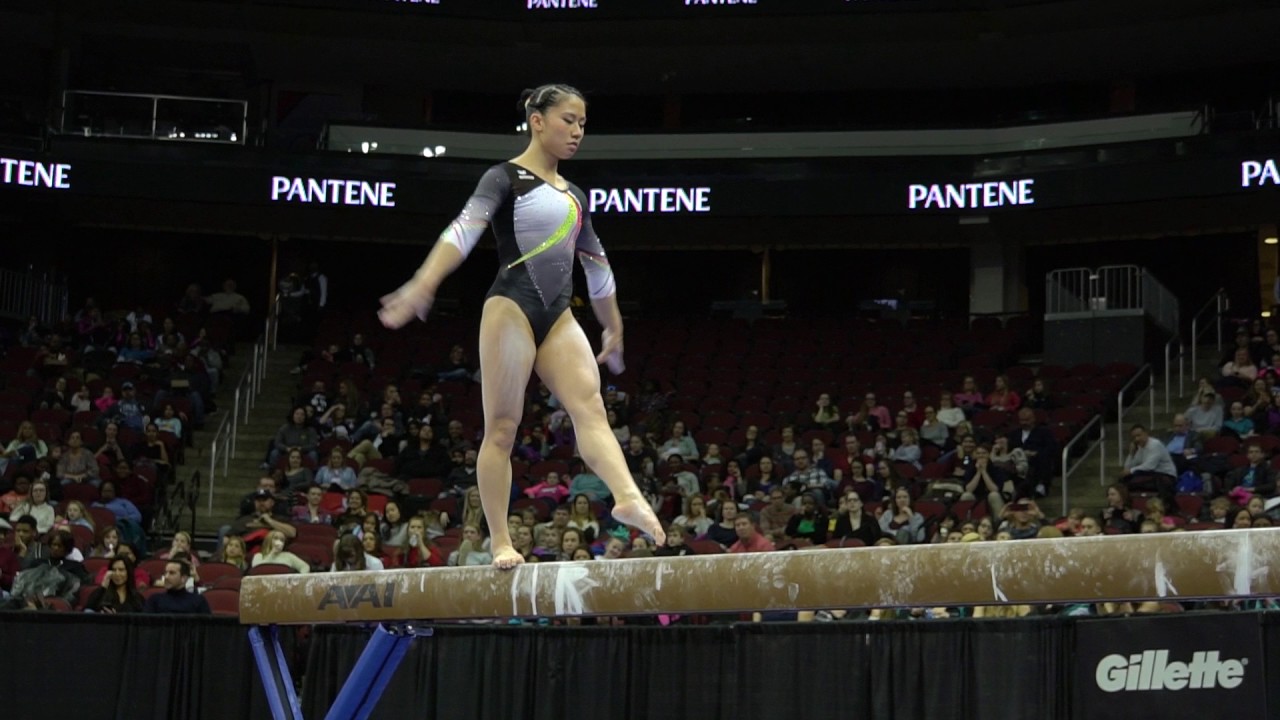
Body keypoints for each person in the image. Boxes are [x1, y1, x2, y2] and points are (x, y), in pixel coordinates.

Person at [378, 84, 664, 568]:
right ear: (537, 120)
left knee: (590, 407)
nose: (577, 132)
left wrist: (612, 325)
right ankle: (500, 539)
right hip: (510, 305)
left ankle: (627, 495)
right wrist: (423, 282)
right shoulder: (504, 177)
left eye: (582, 124)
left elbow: (597, 265)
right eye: (568, 120)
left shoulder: (575, 195)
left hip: (558, 315)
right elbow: (464, 229)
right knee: (503, 429)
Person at [144, 560, 211, 614]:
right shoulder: (154, 600)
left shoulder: (198, 601)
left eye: (172, 573)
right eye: (165, 573)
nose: (166, 577)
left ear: (183, 578)